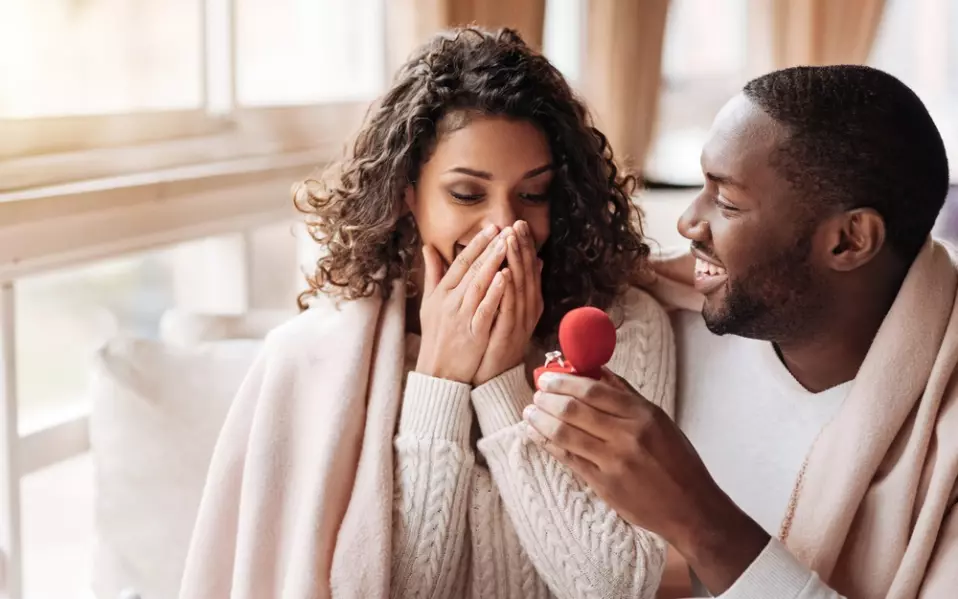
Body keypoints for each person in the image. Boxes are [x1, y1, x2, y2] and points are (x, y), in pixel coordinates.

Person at [179, 27, 676, 599]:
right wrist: (437, 384)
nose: (504, 226)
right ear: (408, 193)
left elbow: (614, 586)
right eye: (467, 194)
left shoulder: (621, 327)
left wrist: (500, 381)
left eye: (532, 194)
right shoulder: (315, 360)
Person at [525, 64, 958, 598]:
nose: (687, 222)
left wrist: (697, 519)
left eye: (726, 202)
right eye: (702, 185)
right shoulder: (658, 326)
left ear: (849, 241)